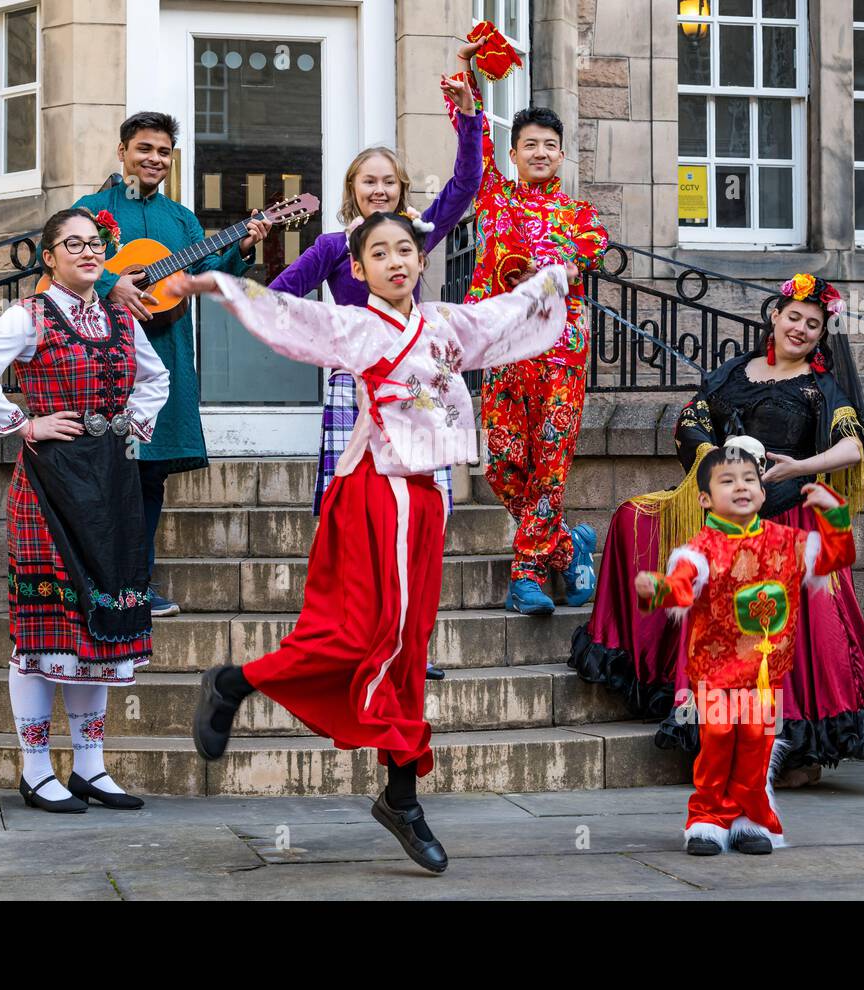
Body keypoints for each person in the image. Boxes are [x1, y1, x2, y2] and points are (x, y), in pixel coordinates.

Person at [186, 212, 573, 873]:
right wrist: (217, 285)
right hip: (373, 490)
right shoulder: (358, 326)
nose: (396, 260)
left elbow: (508, 314)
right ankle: (234, 683)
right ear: (356, 271)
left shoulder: (447, 326)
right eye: (379, 253)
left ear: (421, 263)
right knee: (363, 637)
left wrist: (552, 280)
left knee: (408, 647)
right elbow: (289, 316)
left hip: (423, 499)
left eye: (406, 250)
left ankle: (401, 798)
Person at [570, 273, 864, 779]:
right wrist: (710, 455)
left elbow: (853, 446)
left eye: (812, 325)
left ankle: (789, 751)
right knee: (630, 519)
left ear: (821, 335)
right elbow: (691, 419)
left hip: (782, 515)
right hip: (722, 514)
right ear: (774, 316)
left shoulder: (821, 388)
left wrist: (800, 467)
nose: (800, 329)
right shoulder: (732, 372)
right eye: (793, 317)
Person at [270, 46, 486, 679]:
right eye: (369, 181)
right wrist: (331, 336)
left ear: (400, 190)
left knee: (423, 511)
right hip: (356, 392)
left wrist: (468, 115)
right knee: (358, 515)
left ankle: (411, 642)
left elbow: (467, 186)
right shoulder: (335, 246)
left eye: (389, 181)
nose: (380, 189)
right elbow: (281, 295)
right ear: (353, 192)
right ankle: (364, 638)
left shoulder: (415, 235)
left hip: (417, 387)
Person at [0, 207, 170, 813]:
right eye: (72, 244)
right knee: (45, 627)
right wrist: (26, 423)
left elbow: (156, 379)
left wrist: (133, 422)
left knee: (100, 626)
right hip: (48, 485)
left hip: (111, 483)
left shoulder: (123, 320)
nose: (87, 252)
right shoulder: (31, 315)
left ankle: (91, 768)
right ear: (49, 257)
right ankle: (36, 768)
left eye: (95, 243)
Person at [72, 111, 272, 618]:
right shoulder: (91, 210)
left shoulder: (181, 219)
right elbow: (55, 264)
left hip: (162, 357)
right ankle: (96, 583)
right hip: (102, 360)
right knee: (104, 472)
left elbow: (208, 272)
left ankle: (138, 585)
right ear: (122, 152)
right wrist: (107, 284)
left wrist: (243, 246)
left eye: (163, 152)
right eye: (144, 149)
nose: (154, 159)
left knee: (148, 475)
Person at [634, 440, 857, 854]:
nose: (742, 486)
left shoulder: (786, 542)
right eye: (728, 480)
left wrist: (833, 512)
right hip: (716, 672)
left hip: (764, 671)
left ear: (763, 490)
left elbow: (833, 558)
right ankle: (708, 817)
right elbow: (681, 588)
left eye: (750, 479)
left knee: (757, 743)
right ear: (704, 498)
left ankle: (751, 818)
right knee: (718, 740)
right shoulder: (701, 549)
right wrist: (658, 589)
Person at [442, 65, 609, 616]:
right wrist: (469, 100)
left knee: (549, 466)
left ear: (562, 156)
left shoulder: (583, 218)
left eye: (550, 145)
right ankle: (569, 545)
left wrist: (540, 270)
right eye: (529, 144)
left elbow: (579, 260)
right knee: (502, 465)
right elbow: (474, 150)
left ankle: (527, 573)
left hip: (560, 354)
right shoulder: (494, 200)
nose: (540, 152)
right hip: (503, 352)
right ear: (514, 154)